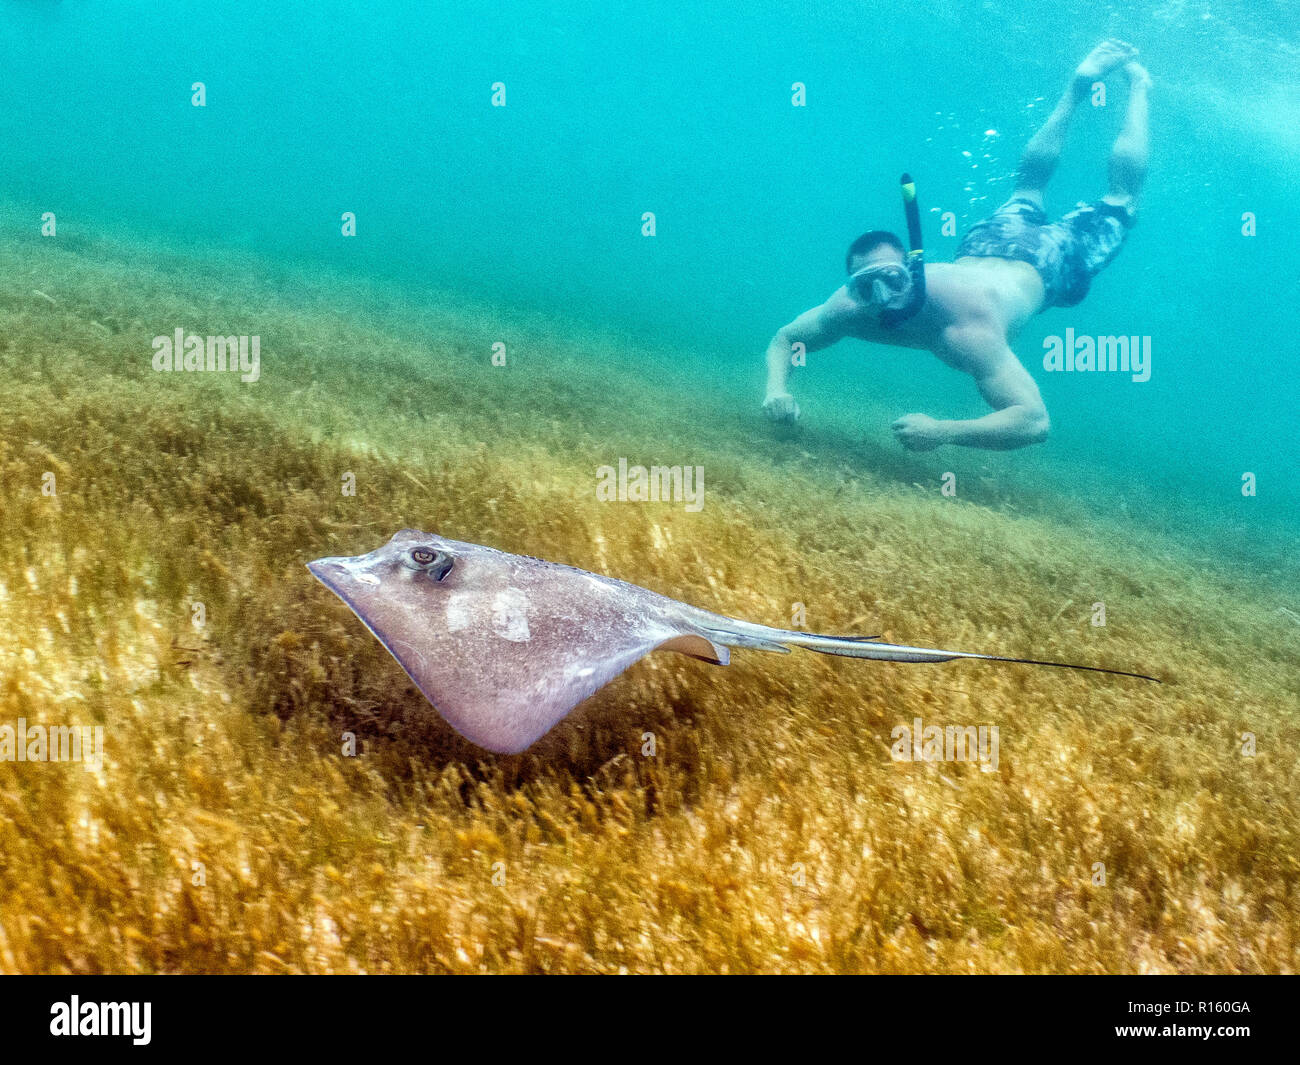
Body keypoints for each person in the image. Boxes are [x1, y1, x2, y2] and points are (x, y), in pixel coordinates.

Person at [762, 39, 1151, 451]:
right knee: (1029, 186)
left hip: (1048, 260)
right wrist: (775, 391)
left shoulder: (966, 330)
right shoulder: (847, 310)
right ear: (851, 286)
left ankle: (1138, 85)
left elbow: (1035, 421)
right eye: (864, 286)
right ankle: (1076, 91)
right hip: (986, 244)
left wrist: (943, 431)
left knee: (1121, 200)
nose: (878, 299)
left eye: (891, 280)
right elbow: (787, 339)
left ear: (913, 272)